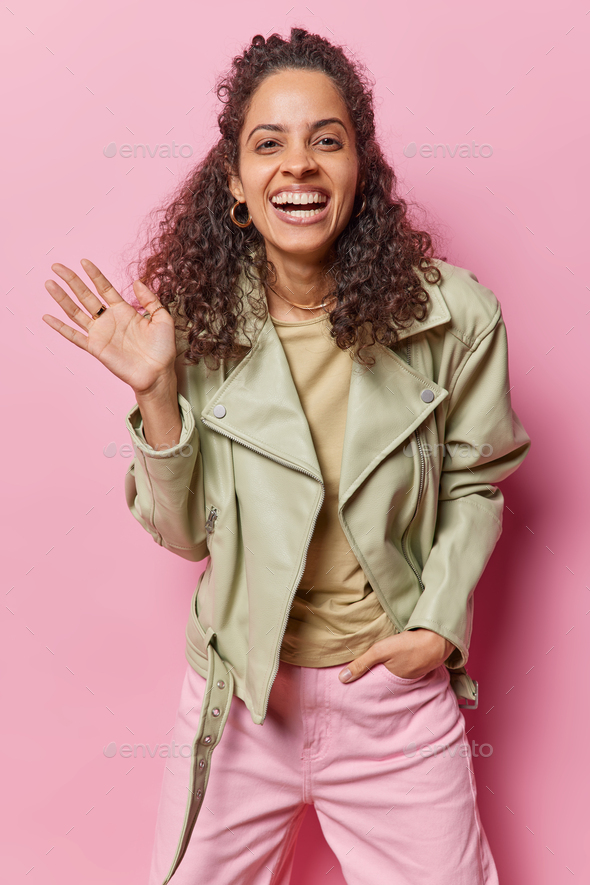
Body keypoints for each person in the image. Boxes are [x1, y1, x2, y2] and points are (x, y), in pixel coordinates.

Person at [42, 27, 530, 885]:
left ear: (360, 169)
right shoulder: (187, 329)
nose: (298, 166)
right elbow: (185, 534)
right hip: (240, 701)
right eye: (269, 144)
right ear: (235, 181)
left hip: (392, 705)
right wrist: (157, 393)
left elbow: (475, 477)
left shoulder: (456, 315)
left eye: (326, 141)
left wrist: (437, 628)